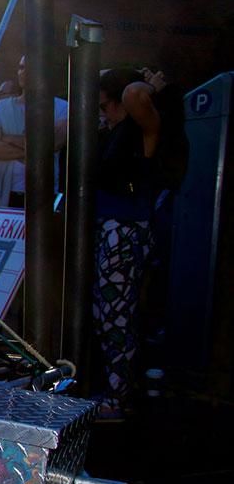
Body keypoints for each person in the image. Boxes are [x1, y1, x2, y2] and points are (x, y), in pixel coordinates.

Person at [92, 67, 170, 419]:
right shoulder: (112, 133)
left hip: (126, 231)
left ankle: (119, 398)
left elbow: (136, 95)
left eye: (107, 105)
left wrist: (143, 84)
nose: (104, 113)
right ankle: (113, 390)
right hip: (110, 229)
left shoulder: (143, 129)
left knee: (118, 317)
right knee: (106, 315)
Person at [0, 56, 68, 207]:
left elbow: (52, 144)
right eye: (21, 67)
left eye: (30, 68)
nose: (23, 72)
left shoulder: (62, 108)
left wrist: (6, 138)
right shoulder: (0, 108)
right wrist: (35, 151)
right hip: (2, 194)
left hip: (42, 195)